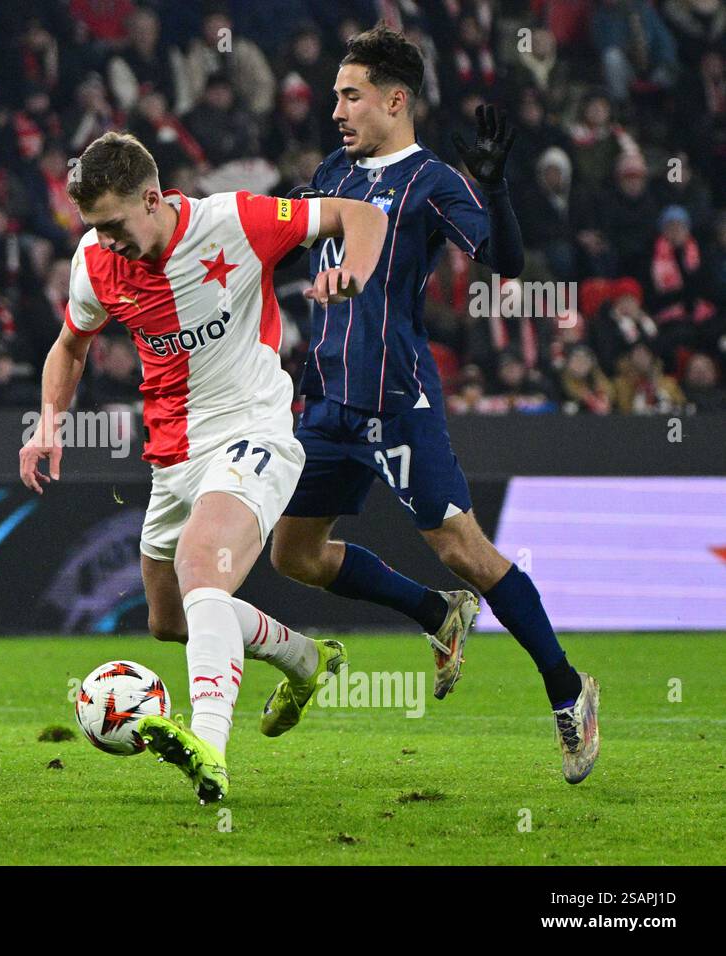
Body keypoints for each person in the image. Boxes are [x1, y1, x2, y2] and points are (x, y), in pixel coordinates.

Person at [270, 25, 599, 784]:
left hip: (395, 401)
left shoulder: (432, 181)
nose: (338, 111)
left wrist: (496, 185)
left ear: (395, 99)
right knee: (292, 554)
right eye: (335, 96)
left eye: (351, 96)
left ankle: (566, 689)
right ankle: (435, 614)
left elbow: (506, 263)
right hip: (326, 405)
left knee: (465, 550)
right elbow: (274, 237)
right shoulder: (333, 172)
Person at [19, 131, 387, 803]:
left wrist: (353, 270)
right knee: (172, 618)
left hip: (254, 430)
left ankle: (209, 751)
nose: (105, 241)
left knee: (200, 565)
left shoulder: (235, 221)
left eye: (112, 224)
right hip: (172, 457)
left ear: (153, 198)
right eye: (93, 229)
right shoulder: (95, 262)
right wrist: (48, 423)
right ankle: (305, 658)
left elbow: (360, 214)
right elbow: (70, 345)